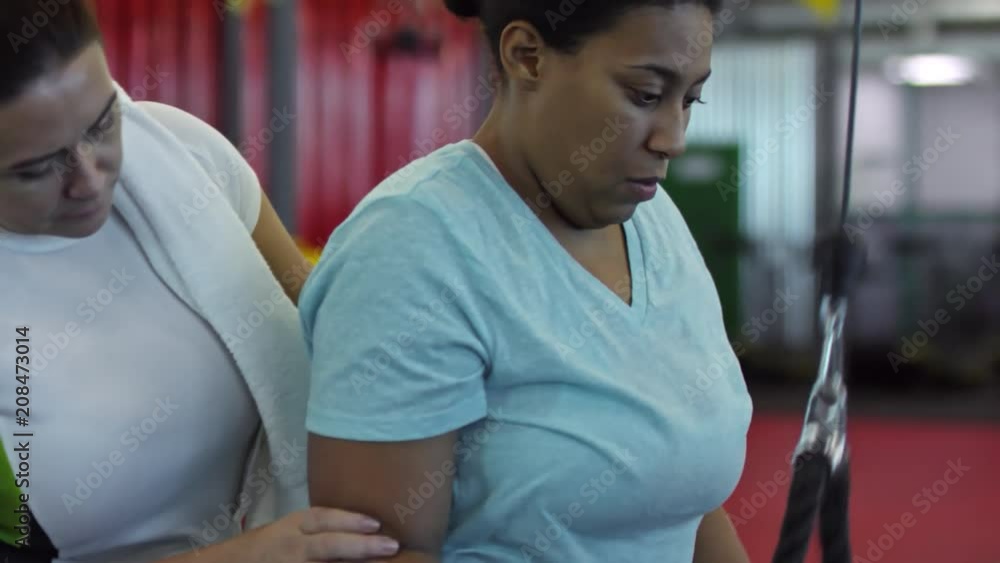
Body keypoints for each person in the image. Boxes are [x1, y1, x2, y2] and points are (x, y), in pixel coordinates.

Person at [303, 0, 753, 561]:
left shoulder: (655, 218)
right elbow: (375, 554)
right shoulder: (412, 248)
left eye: (690, 100)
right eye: (643, 95)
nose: (673, 139)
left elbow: (682, 499)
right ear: (526, 56)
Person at [0, 1, 399, 561]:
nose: (89, 180)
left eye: (103, 123)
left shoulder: (182, 154)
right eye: (37, 168)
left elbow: (325, 332)